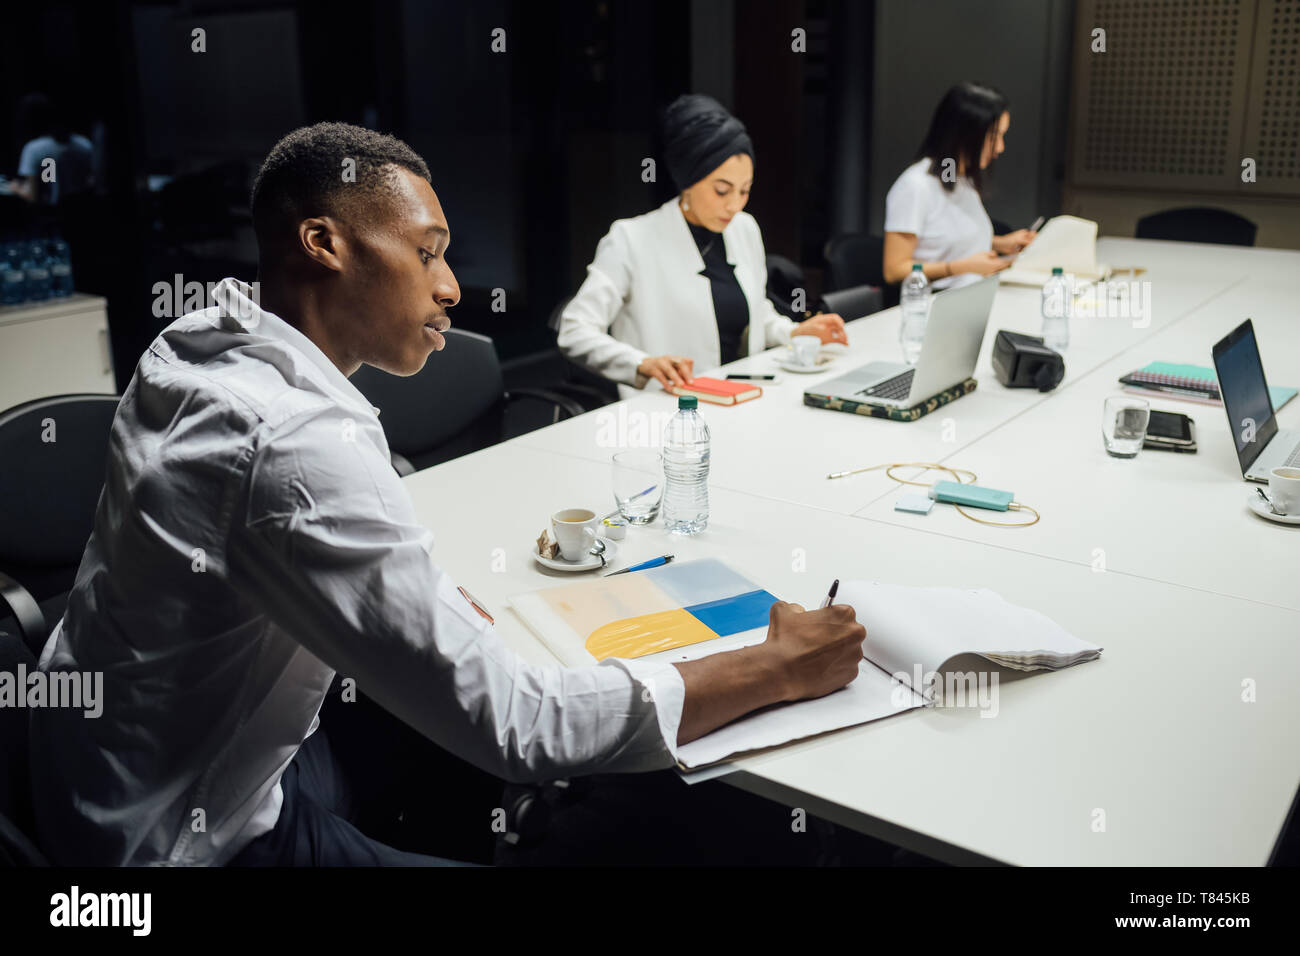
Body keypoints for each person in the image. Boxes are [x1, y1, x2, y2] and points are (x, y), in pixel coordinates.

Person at [28, 122, 867, 867]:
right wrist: (772, 665)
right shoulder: (287, 441)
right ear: (322, 242)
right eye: (427, 252)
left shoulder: (200, 342)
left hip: (100, 765)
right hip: (182, 835)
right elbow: (518, 727)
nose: (452, 288)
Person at [558, 94, 846, 396]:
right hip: (669, 408)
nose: (734, 205)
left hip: (745, 397)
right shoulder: (631, 240)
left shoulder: (744, 229)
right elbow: (575, 330)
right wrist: (640, 363)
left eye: (744, 191)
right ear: (686, 180)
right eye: (722, 191)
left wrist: (793, 332)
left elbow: (754, 309)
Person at [882, 82, 1036, 290]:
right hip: (933, 302)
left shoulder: (961, 178)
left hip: (973, 292)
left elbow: (945, 236)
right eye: (994, 137)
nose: (1000, 147)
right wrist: (960, 268)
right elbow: (894, 270)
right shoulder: (915, 186)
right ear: (965, 134)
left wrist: (1001, 243)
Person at [9, 93, 95, 205]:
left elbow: (34, 196)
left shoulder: (35, 149)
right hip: (82, 211)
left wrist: (15, 188)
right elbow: (91, 180)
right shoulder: (84, 144)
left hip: (50, 216)